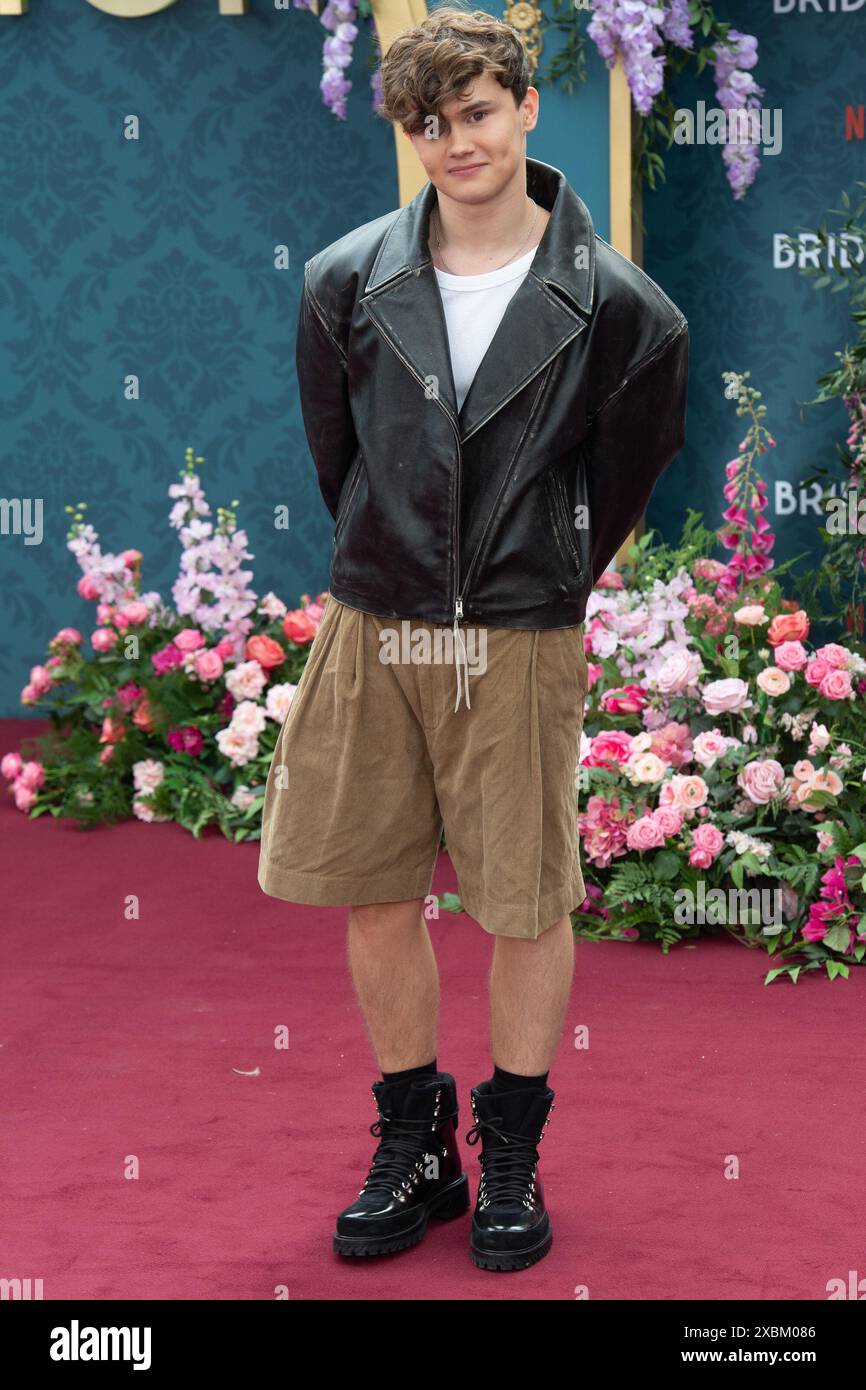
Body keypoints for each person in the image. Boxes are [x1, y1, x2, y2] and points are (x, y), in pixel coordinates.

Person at [258, 3, 689, 1272]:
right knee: (374, 886)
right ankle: (417, 1144)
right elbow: (338, 458)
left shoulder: (623, 309)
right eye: (429, 122)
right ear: (409, 132)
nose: (456, 142)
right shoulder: (343, 279)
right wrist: (397, 559)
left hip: (516, 632)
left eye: (478, 113)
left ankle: (510, 1149)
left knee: (522, 899)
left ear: (524, 108)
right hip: (374, 621)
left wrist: (531, 576)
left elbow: (619, 484)